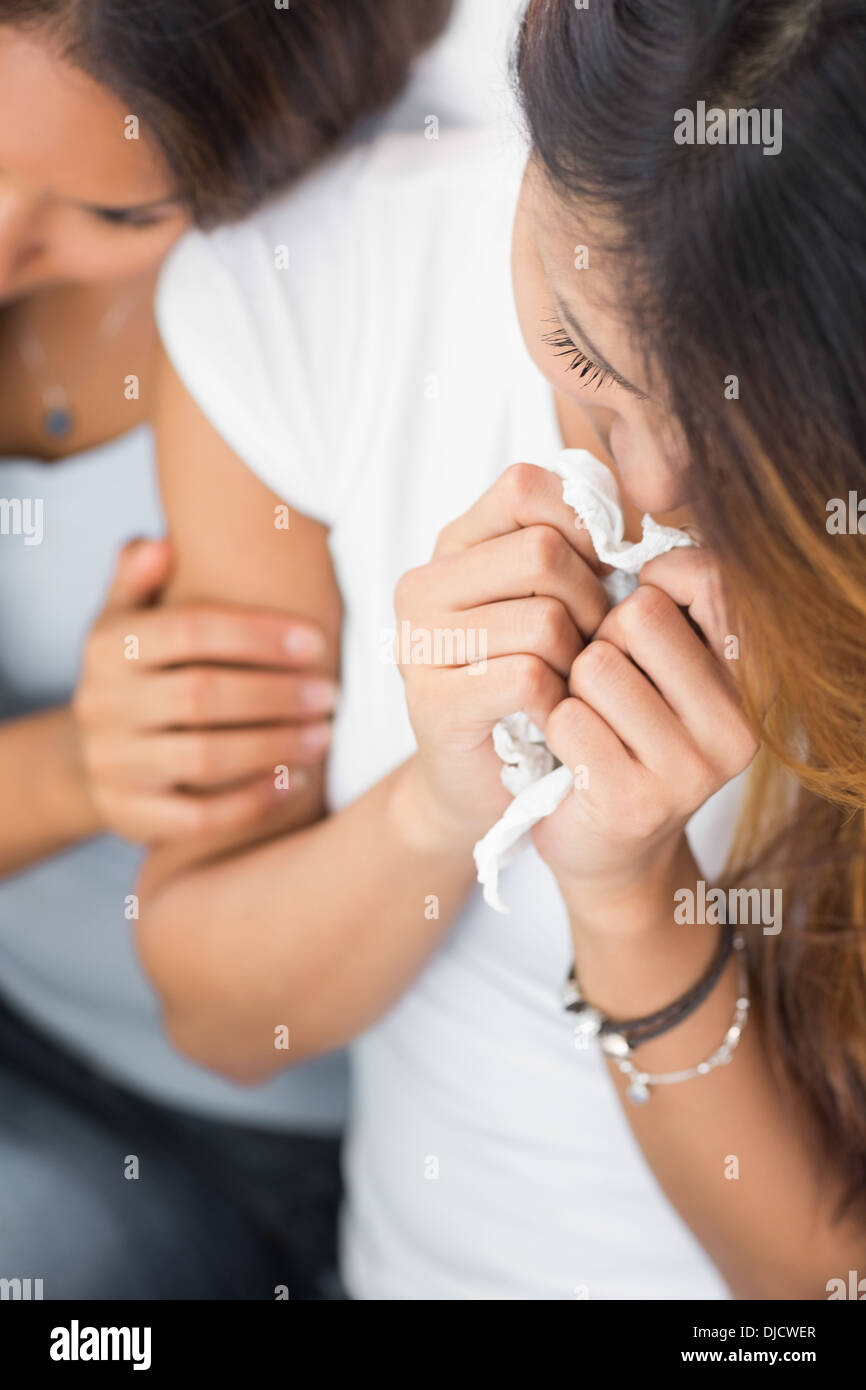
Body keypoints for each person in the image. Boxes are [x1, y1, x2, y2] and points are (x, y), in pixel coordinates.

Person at [140, 0, 866, 1299]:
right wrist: (439, 799)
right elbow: (223, 1021)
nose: (637, 477)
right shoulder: (319, 292)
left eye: (748, 451)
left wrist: (632, 901)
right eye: (578, 356)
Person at [0, 0, 455, 1298]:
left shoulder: (284, 326)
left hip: (226, 1134)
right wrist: (84, 767)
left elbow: (236, 1010)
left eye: (117, 214)